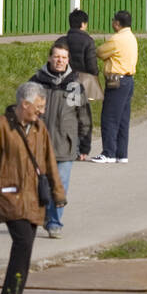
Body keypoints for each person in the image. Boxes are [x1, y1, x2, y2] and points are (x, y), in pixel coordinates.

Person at [0, 82, 66, 294]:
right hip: (9, 196)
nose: (42, 111)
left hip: (34, 199)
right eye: (39, 106)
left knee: (25, 248)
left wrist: (58, 193)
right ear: (24, 104)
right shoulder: (0, 127)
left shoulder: (39, 129)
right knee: (23, 242)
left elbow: (49, 162)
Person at [28, 42, 90, 236]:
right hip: (39, 145)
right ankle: (44, 214)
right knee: (40, 184)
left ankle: (55, 222)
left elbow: (83, 117)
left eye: (63, 57)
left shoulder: (74, 86)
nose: (60, 61)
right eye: (56, 57)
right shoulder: (37, 83)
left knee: (60, 185)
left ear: (68, 60)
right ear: (49, 58)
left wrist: (84, 145)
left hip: (65, 145)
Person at [91, 11, 138, 164]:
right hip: (128, 80)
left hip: (116, 80)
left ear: (117, 23)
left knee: (109, 117)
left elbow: (100, 52)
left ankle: (108, 153)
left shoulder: (117, 39)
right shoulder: (131, 37)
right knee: (123, 119)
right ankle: (121, 153)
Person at [61, 9, 99, 78]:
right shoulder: (88, 41)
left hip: (64, 79)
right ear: (83, 24)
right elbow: (92, 67)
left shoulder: (62, 40)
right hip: (83, 80)